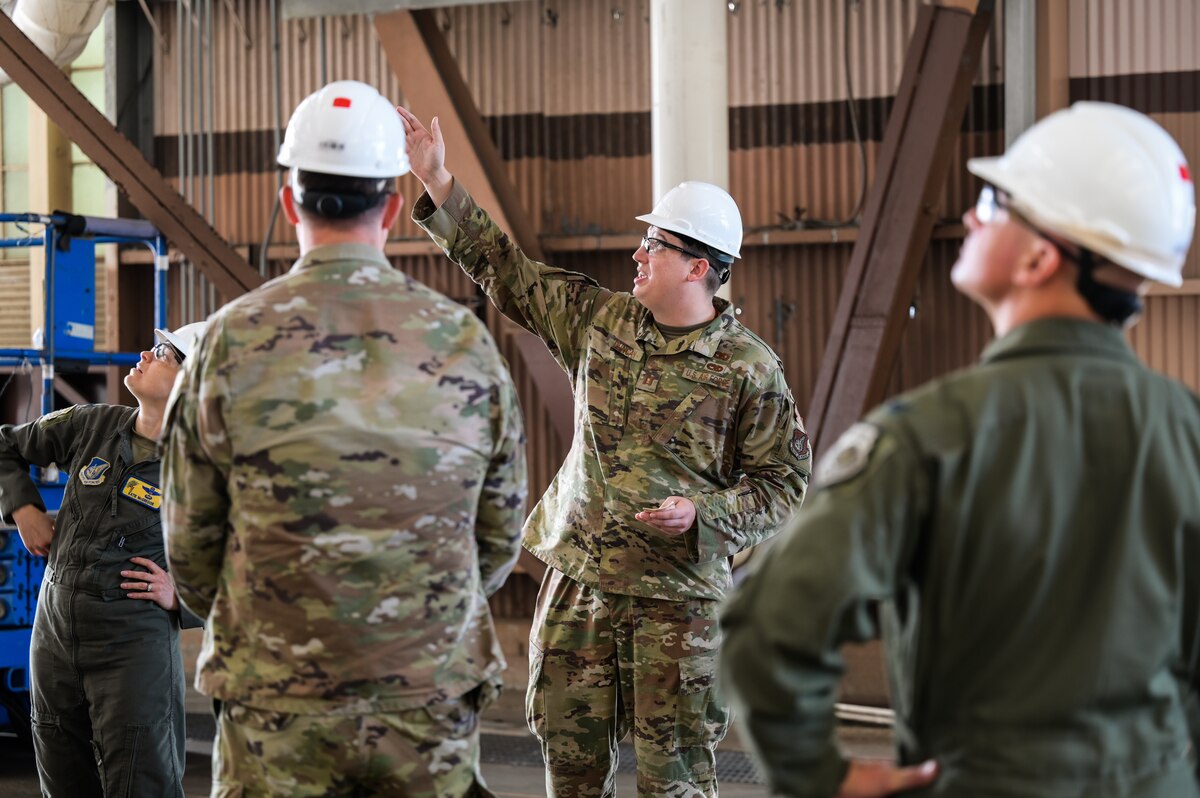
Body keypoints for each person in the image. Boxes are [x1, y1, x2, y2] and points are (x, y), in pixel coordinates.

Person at [719, 101, 1200, 797]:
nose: (972, 217)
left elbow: (768, 631)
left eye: (995, 202)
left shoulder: (926, 437)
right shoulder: (1185, 430)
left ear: (1040, 257)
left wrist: (820, 776)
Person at [399, 106, 811, 796]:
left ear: (698, 267)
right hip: (580, 584)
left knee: (672, 781)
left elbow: (784, 484)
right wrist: (439, 181)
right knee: (570, 769)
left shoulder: (748, 368)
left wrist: (704, 514)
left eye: (655, 243)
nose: (637, 254)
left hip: (677, 605)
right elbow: (509, 274)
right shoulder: (603, 322)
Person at [161, 80, 527, 798]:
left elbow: (190, 544)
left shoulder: (229, 341)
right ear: (393, 207)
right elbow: (499, 534)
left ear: (290, 201)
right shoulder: (462, 343)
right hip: (427, 701)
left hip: (278, 705)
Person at [0, 321, 206, 797]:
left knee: (142, 782)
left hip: (132, 649)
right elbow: (5, 445)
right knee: (63, 778)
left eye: (164, 353)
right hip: (53, 638)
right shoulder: (92, 424)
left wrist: (184, 596)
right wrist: (25, 508)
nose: (145, 353)